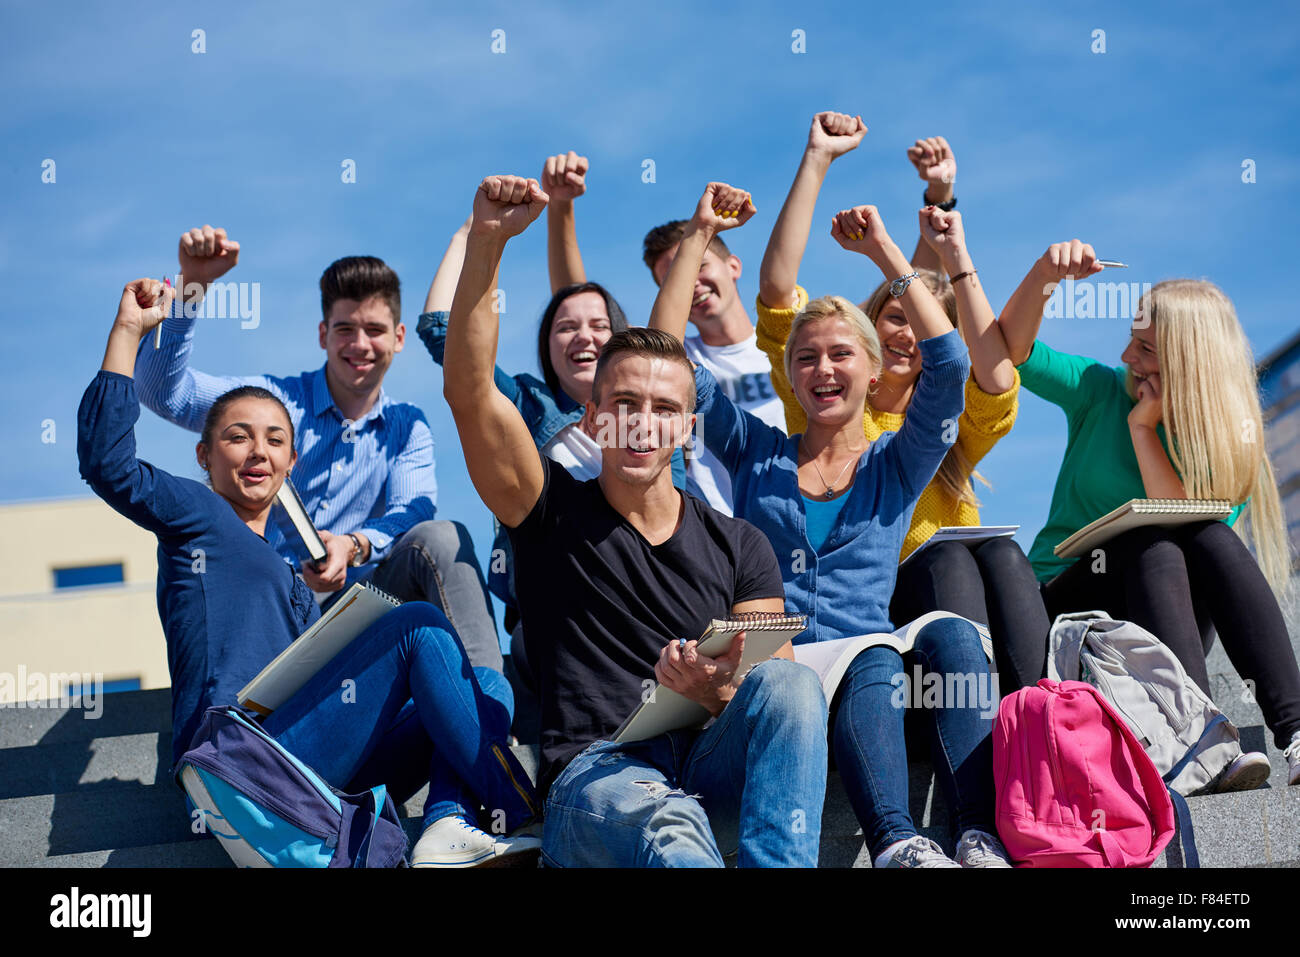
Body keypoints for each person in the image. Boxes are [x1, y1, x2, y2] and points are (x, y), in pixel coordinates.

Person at [79, 278, 540, 866]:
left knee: (489, 685)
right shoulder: (198, 515)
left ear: (291, 462)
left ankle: (449, 822)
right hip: (243, 756)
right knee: (419, 624)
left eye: (274, 440)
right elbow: (106, 462)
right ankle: (526, 809)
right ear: (204, 455)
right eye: (236, 437)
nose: (257, 452)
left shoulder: (288, 572)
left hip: (317, 765)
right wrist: (126, 333)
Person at [442, 172, 828, 867]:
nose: (641, 421)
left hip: (706, 759)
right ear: (592, 416)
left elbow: (775, 687)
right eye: (623, 402)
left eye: (662, 409)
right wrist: (490, 247)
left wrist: (715, 691)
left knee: (793, 684)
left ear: (687, 427)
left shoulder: (740, 543)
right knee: (671, 825)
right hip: (599, 775)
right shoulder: (546, 506)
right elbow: (469, 391)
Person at [652, 181, 1011, 868]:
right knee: (874, 651)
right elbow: (667, 361)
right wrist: (697, 234)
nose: (824, 368)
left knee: (946, 635)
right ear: (789, 374)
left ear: (873, 374)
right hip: (778, 674)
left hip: (866, 684)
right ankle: (898, 840)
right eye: (807, 357)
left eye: (842, 354)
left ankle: (976, 830)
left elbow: (951, 364)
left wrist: (884, 253)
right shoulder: (756, 451)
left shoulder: (897, 460)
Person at [753, 112, 1046, 691]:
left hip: (961, 597)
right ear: (867, 324)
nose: (908, 334)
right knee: (947, 560)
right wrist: (818, 158)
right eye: (894, 317)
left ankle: (1042, 713)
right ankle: (978, 730)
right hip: (879, 614)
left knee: (1005, 556)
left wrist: (950, 237)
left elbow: (996, 378)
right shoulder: (830, 401)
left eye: (924, 327)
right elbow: (778, 294)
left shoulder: (948, 418)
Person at [133, 227, 503, 675]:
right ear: (323, 333)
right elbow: (161, 392)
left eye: (375, 330)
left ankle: (489, 709)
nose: (360, 344)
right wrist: (193, 285)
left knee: (442, 535)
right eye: (345, 329)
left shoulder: (409, 428)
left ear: (399, 337)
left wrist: (353, 545)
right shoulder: (268, 404)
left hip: (362, 605)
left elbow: (413, 511)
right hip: (269, 602)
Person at [998, 243, 1300, 786]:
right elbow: (1014, 351)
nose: (1125, 357)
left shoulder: (1230, 440)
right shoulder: (1098, 389)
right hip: (1071, 611)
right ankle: (1197, 740)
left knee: (1200, 535)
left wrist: (1144, 431)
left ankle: (1295, 732)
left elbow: (1185, 525)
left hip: (1158, 612)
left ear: (1188, 362)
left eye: (1144, 348)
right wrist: (1046, 274)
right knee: (1151, 542)